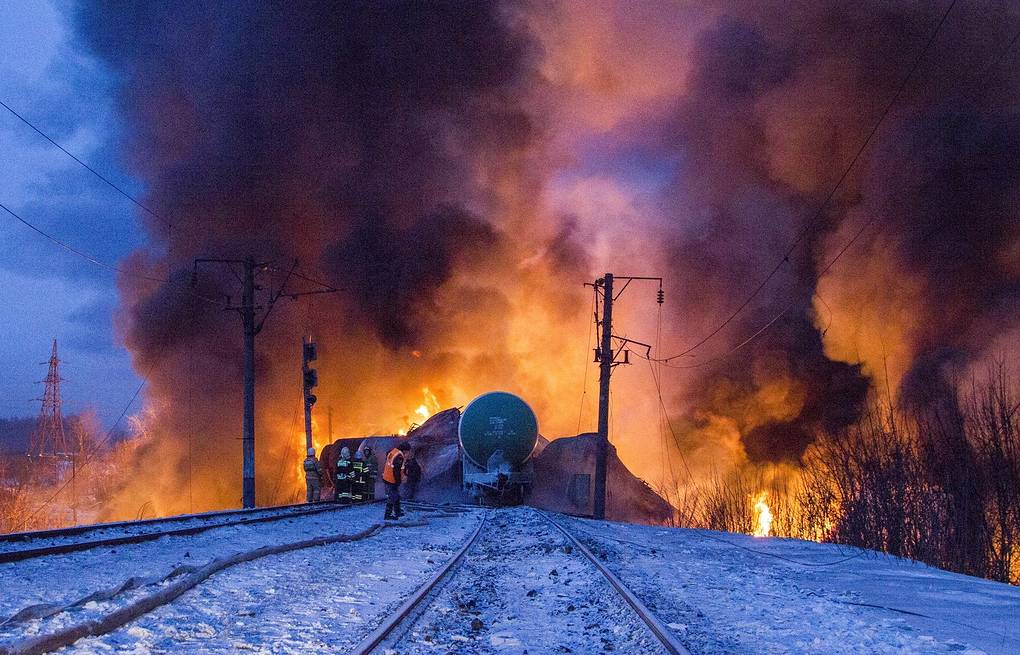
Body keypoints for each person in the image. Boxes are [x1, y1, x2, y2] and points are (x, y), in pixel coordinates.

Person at [382, 441, 410, 520]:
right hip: (391, 480)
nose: (408, 453)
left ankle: (397, 512)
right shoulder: (399, 456)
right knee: (393, 497)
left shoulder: (394, 451)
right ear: (405, 450)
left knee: (396, 496)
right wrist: (398, 481)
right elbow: (396, 470)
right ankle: (387, 515)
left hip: (387, 477)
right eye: (407, 451)